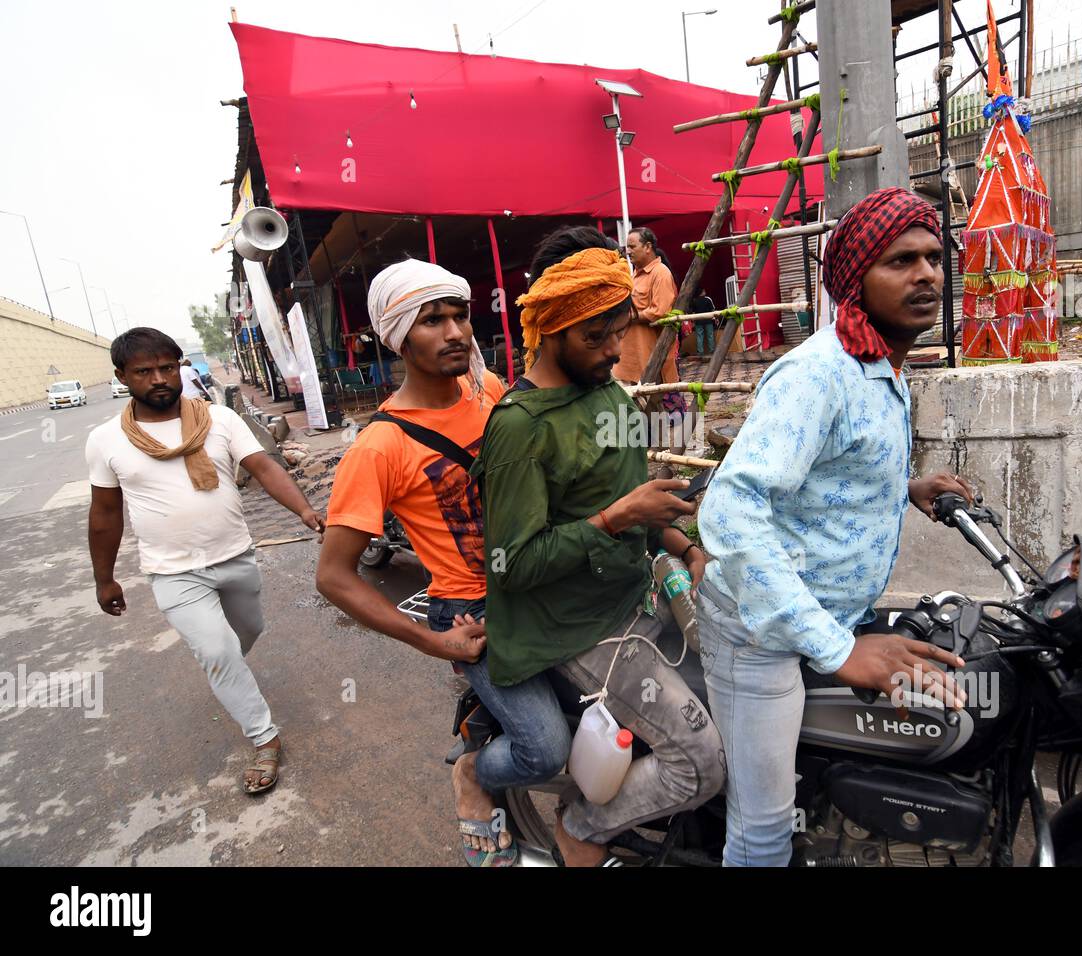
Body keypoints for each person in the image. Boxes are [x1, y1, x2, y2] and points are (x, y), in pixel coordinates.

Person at [696, 187, 976, 866]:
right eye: (901, 260)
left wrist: (905, 487)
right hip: (761, 633)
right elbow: (730, 510)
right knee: (763, 830)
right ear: (856, 281)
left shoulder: (882, 363)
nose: (926, 274)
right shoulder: (819, 373)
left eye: (935, 257)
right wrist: (838, 649)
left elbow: (830, 464)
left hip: (828, 613)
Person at [472, 226, 725, 866]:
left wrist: (681, 543)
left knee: (740, 683)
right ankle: (582, 828)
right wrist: (615, 520)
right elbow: (514, 564)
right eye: (596, 336)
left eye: (619, 331)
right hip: (574, 628)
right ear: (551, 329)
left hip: (632, 595)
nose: (615, 349)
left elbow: (627, 492)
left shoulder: (607, 392)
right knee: (701, 764)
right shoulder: (519, 429)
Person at [315, 259, 568, 867]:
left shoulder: (489, 390)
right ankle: (474, 774)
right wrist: (434, 643)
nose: (456, 332)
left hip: (543, 579)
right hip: (476, 612)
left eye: (460, 315)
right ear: (398, 335)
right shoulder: (380, 446)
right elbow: (332, 575)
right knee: (547, 747)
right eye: (433, 321)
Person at [86, 327, 324, 794]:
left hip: (235, 556)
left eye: (167, 367)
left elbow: (264, 468)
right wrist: (104, 579)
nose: (158, 378)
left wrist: (304, 510)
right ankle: (264, 738)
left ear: (179, 367)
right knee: (216, 650)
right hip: (172, 571)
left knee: (246, 634)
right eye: (144, 371)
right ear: (122, 377)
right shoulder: (106, 439)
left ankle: (229, 674)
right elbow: (106, 512)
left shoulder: (220, 420)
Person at [613, 227, 679, 386]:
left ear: (648, 247)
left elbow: (660, 312)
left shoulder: (660, 273)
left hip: (649, 363)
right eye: (627, 247)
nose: (628, 251)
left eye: (632, 246)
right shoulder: (635, 274)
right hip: (629, 361)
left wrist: (627, 317)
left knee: (653, 408)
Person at [691, 291, 717, 356]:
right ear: (701, 292)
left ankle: (700, 352)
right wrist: (715, 318)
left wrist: (693, 322)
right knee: (710, 336)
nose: (705, 292)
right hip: (708, 321)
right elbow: (712, 309)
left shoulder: (695, 301)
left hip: (698, 321)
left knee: (699, 336)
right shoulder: (708, 299)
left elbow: (693, 313)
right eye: (704, 291)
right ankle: (712, 351)